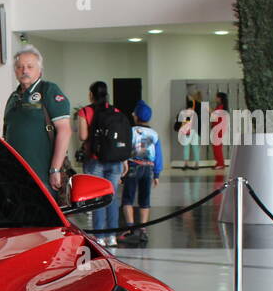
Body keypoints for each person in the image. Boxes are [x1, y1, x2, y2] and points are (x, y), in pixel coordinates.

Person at [1, 45, 71, 196]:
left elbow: (64, 130)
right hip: (15, 177)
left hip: (43, 176)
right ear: (15, 71)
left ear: (39, 70)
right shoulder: (13, 97)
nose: (24, 70)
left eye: (30, 66)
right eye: (20, 67)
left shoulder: (48, 90)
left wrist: (55, 169)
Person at [76, 81, 133, 246]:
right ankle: (112, 236)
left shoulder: (85, 111)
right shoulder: (115, 111)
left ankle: (99, 237)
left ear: (91, 94)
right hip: (115, 161)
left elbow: (83, 136)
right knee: (112, 198)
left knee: (98, 198)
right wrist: (124, 160)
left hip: (95, 160)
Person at [120, 101, 164, 247]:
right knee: (145, 199)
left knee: (128, 198)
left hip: (133, 166)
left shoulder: (130, 131)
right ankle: (143, 230)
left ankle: (131, 229)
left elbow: (125, 150)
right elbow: (158, 155)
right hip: (148, 168)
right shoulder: (154, 134)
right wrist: (157, 174)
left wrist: (122, 169)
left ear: (136, 116)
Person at [174, 89, 203, 170]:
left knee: (186, 147)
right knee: (195, 148)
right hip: (196, 132)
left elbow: (183, 123)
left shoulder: (184, 112)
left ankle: (186, 164)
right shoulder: (197, 111)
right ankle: (197, 164)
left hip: (187, 132)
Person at [211, 91, 229, 170]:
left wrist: (209, 110)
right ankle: (219, 162)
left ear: (220, 98)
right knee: (216, 147)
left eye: (217, 97)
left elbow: (215, 116)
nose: (215, 98)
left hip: (218, 130)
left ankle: (221, 164)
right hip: (217, 129)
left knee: (217, 147)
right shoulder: (220, 106)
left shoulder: (221, 107)